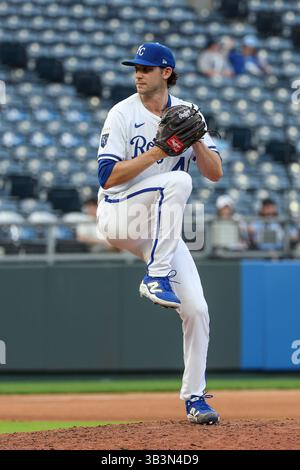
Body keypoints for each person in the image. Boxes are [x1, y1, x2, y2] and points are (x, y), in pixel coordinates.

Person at [96, 42, 223, 425]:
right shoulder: (122, 113)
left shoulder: (188, 112)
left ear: (165, 72)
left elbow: (215, 173)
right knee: (178, 181)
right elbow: (106, 176)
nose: (138, 73)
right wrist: (157, 152)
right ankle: (154, 277)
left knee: (198, 310)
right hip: (120, 214)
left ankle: (195, 398)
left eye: (146, 68)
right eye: (135, 67)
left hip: (159, 234)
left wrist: (196, 138)